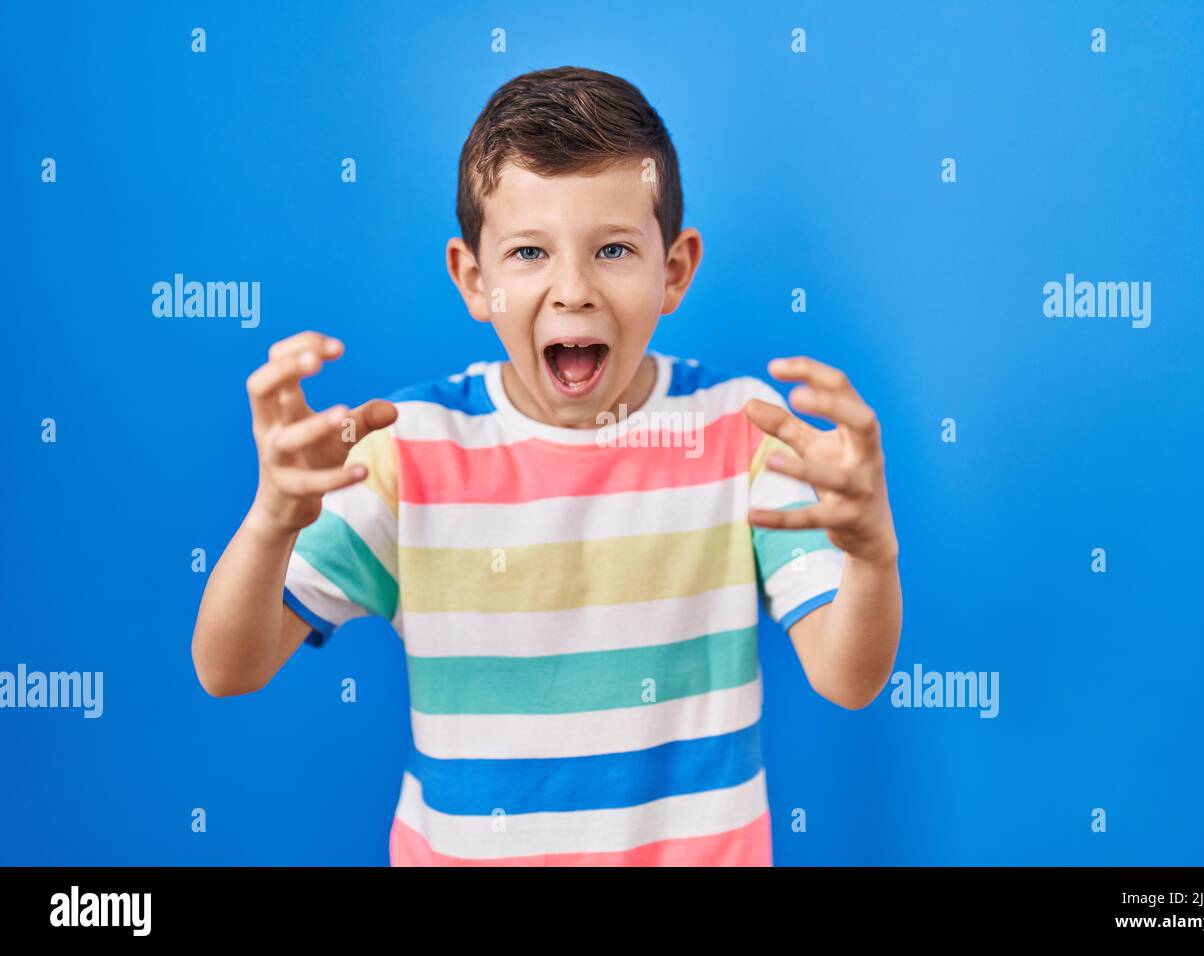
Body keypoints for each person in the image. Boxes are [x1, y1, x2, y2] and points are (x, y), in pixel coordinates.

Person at [191, 65, 902, 866]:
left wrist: (873, 555)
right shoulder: (405, 451)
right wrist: (272, 521)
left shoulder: (744, 435)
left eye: (613, 249)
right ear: (474, 278)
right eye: (529, 251)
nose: (573, 290)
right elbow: (228, 667)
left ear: (673, 269)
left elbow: (849, 678)